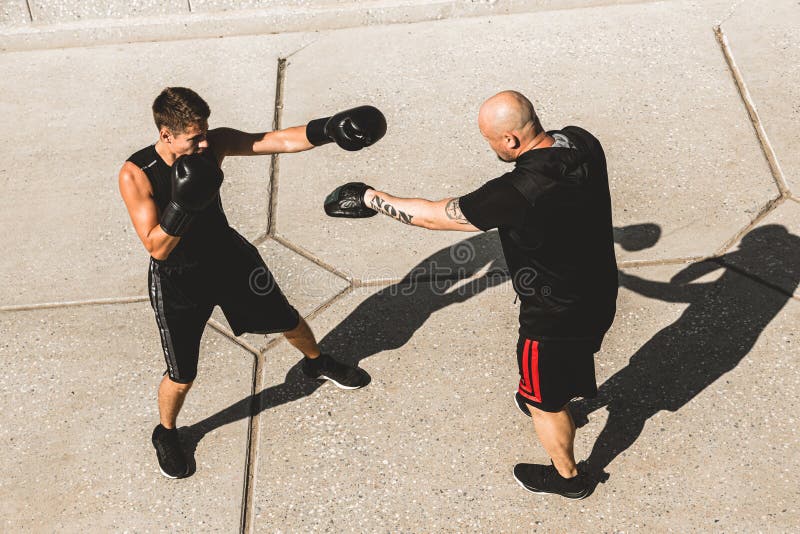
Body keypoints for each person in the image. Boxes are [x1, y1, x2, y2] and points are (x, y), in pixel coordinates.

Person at [325, 90, 618, 499]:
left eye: (492, 141)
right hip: (598, 290)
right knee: (563, 366)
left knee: (543, 400)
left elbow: (435, 216)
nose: (493, 148)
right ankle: (551, 398)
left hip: (552, 315)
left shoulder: (518, 190)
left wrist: (371, 197)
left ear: (511, 141)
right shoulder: (580, 140)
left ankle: (569, 477)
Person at [118, 87, 386, 479]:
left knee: (288, 319)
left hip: (229, 258)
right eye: (195, 137)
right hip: (178, 279)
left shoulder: (213, 144)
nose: (205, 142)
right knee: (182, 373)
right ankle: (167, 433)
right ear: (166, 135)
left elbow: (274, 140)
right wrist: (183, 205)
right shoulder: (135, 174)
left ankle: (317, 363)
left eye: (205, 132)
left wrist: (328, 129)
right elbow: (156, 248)